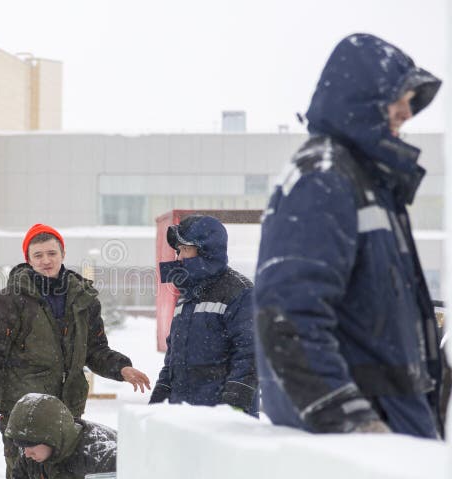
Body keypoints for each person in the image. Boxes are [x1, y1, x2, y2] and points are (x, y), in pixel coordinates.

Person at [254, 33, 446, 438]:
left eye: (413, 101)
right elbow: (288, 314)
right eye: (400, 96)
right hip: (367, 438)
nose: (407, 113)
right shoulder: (324, 176)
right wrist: (347, 418)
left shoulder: (367, 182)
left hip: (395, 423)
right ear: (361, 95)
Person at [0, 223, 150, 479]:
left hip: (67, 411)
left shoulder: (84, 298)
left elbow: (95, 349)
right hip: (24, 411)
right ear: (28, 259)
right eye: (38, 255)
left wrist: (121, 368)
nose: (46, 260)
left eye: (52, 253)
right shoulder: (10, 300)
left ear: (63, 254)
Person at [149, 215, 258, 415]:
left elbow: (250, 356)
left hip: (221, 419)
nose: (179, 257)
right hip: (184, 418)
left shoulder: (240, 293)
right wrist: (158, 401)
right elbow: (173, 360)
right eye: (178, 250)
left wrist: (234, 407)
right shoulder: (187, 296)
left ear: (206, 251)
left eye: (185, 249)